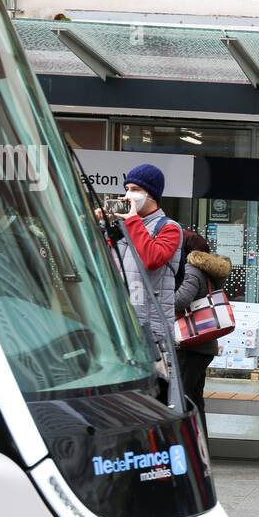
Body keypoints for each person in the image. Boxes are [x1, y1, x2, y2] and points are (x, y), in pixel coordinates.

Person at [99, 164, 182, 400]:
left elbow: (151, 259)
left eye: (135, 189)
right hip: (123, 326)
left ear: (151, 194)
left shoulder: (169, 228)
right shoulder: (123, 227)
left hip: (152, 332)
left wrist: (132, 221)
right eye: (126, 189)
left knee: (155, 397)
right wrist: (99, 226)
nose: (128, 195)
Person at [174, 229, 233, 415]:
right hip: (205, 345)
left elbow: (181, 300)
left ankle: (185, 440)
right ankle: (200, 440)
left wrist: (159, 295)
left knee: (182, 398)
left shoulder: (192, 270)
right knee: (195, 398)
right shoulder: (208, 272)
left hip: (191, 345)